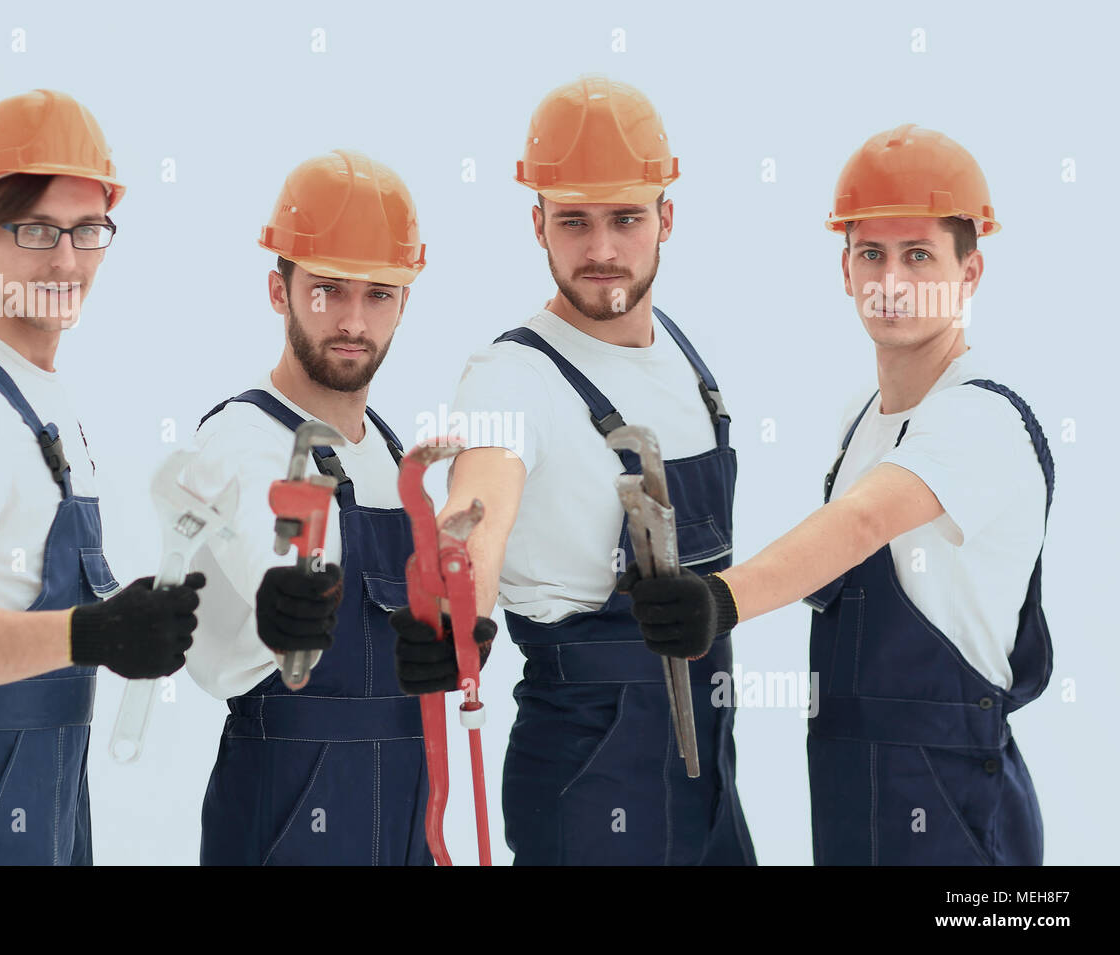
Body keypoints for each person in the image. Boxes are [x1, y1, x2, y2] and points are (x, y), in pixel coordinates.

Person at [633, 124, 1053, 865]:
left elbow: (862, 522)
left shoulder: (981, 419)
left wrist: (719, 599)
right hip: (852, 803)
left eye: (919, 254)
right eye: (873, 254)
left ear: (971, 271)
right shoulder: (863, 420)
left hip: (955, 814)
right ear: (846, 267)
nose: (891, 279)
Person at [394, 75, 756, 865]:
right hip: (591, 771)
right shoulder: (510, 376)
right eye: (573, 222)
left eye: (625, 218)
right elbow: (478, 501)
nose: (600, 250)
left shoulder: (690, 365)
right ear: (537, 224)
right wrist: (457, 598)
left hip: (711, 768)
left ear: (666, 217)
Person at [0, 89, 204, 866]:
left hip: (44, 797)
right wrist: (91, 632)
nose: (66, 260)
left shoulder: (35, 391)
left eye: (88, 230)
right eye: (36, 230)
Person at [186, 150, 471, 865]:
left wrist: (464, 637)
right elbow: (264, 537)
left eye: (378, 293)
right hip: (284, 819)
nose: (351, 319)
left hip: (411, 818)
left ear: (406, 301)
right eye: (327, 290)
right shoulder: (241, 437)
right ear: (279, 290)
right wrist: (279, 590)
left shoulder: (392, 454)